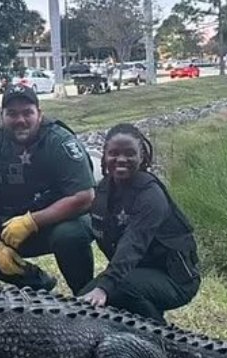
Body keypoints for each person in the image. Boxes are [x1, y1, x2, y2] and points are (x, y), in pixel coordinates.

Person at [0, 83, 95, 295]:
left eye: (27, 113)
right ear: (2, 116)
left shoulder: (59, 142)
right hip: (12, 228)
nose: (20, 120)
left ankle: (86, 294)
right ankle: (38, 284)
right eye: (12, 113)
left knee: (69, 235)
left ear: (39, 114)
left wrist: (32, 221)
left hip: (61, 221)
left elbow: (84, 197)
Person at [79, 124, 201, 322]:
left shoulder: (151, 195)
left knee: (119, 288)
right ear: (104, 155)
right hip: (137, 271)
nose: (120, 160)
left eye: (129, 154)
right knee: (84, 296)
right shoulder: (103, 189)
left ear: (142, 156)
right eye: (113, 153)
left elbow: (133, 243)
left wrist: (104, 287)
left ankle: (162, 338)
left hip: (175, 279)